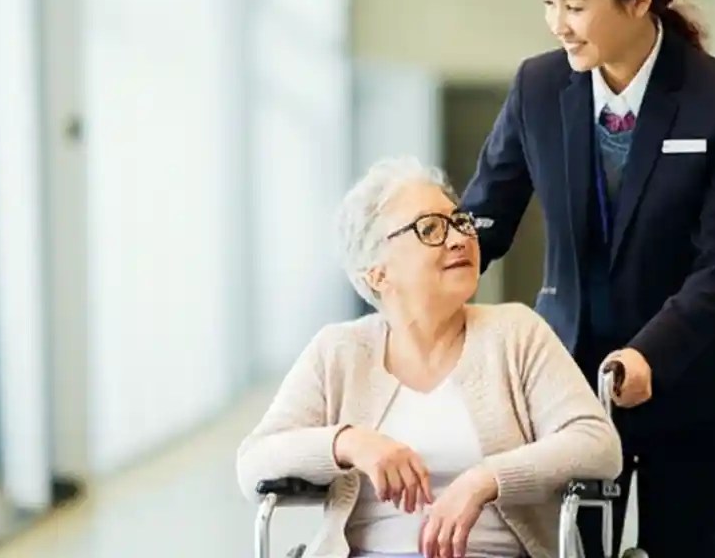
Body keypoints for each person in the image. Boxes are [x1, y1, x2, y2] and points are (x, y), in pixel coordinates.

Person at [459, 0, 715, 558]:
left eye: (574, 6)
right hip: (567, 393)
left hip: (689, 385)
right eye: (547, 4)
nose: (557, 26)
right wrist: (427, 272)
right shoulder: (539, 88)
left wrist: (652, 353)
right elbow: (486, 215)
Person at [237, 157, 622, 558]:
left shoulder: (515, 333)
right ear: (378, 274)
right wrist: (350, 443)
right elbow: (253, 464)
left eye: (459, 222)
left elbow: (597, 444)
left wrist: (487, 478)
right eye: (430, 229)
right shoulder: (339, 351)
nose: (459, 239)